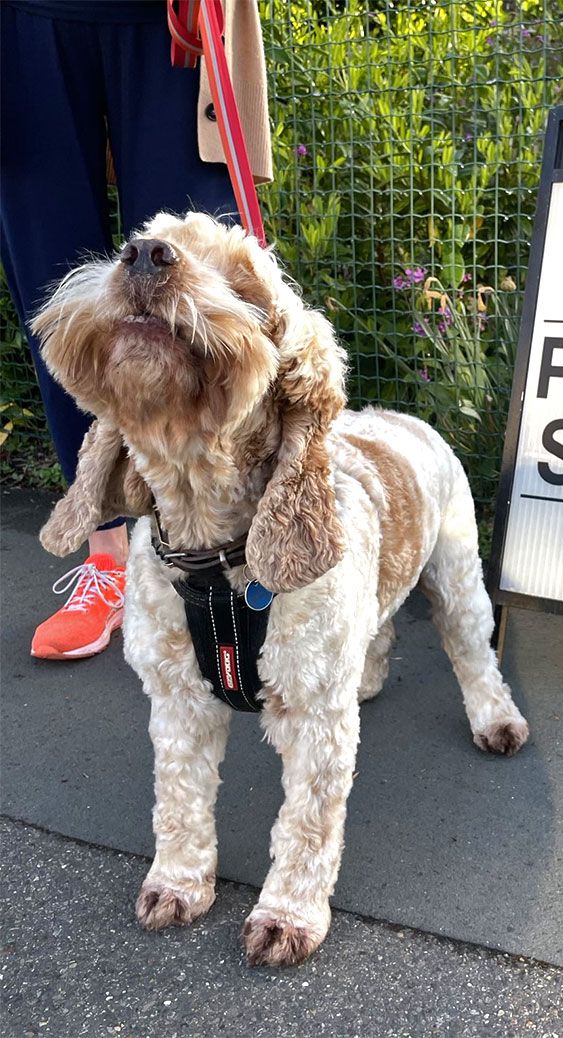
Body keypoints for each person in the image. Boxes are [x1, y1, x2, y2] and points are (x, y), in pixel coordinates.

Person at [0, 0, 272, 659]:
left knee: (198, 286)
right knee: (63, 307)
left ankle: (222, 555)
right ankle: (109, 561)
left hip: (172, 20)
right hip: (26, 20)